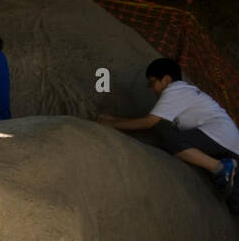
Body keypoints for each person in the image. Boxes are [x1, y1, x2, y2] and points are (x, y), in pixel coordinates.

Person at [97, 57, 239, 200]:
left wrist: (112, 124)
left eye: (152, 83)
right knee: (234, 199)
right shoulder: (184, 91)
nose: (151, 88)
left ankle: (220, 167)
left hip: (219, 135)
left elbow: (148, 122)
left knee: (171, 140)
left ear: (165, 80)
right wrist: (114, 120)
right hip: (230, 144)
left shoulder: (174, 91)